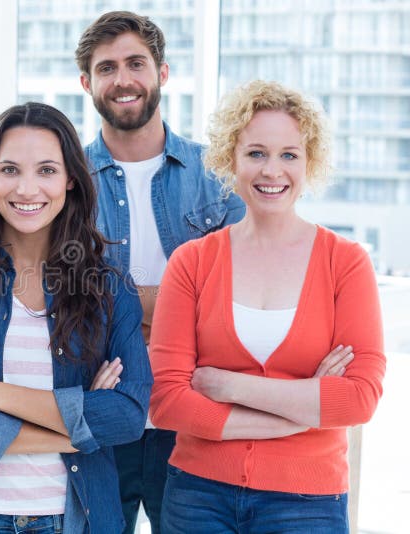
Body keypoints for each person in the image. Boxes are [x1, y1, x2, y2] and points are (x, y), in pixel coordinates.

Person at [149, 80, 386, 533]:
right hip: (198, 496)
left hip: (307, 503)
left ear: (308, 162)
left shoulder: (346, 263)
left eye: (288, 155)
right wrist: (301, 411)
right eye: (256, 153)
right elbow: (167, 402)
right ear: (230, 161)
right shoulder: (193, 262)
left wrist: (227, 385)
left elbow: (359, 397)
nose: (271, 171)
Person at [0, 102, 151, 534]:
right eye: (9, 170)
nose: (26, 188)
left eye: (45, 170)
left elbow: (128, 415)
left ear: (70, 179)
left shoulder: (109, 286)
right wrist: (75, 428)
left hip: (77, 520)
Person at [75, 11, 246, 533]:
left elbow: (239, 297)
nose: (122, 80)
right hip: (103, 415)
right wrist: (179, 306)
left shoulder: (216, 176)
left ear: (162, 73)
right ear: (87, 83)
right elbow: (69, 301)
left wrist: (127, 309)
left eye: (135, 64)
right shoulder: (67, 183)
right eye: (107, 68)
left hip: (192, 417)